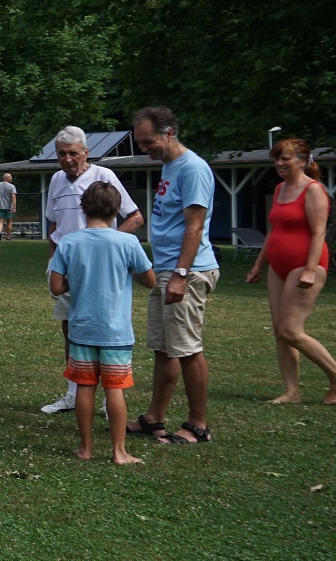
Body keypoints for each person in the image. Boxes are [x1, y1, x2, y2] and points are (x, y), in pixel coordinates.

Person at [39, 126, 145, 415]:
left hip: (100, 272)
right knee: (69, 328)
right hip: (68, 268)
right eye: (62, 153)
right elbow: (53, 226)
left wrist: (108, 245)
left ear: (86, 153)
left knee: (106, 331)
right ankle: (74, 393)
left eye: (74, 153)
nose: (68, 159)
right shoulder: (57, 180)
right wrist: (53, 263)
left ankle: (112, 399)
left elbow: (134, 217)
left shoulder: (104, 176)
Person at [49, 181, 157, 465]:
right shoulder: (128, 242)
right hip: (116, 332)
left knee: (85, 388)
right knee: (114, 389)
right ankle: (119, 452)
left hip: (82, 329)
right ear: (116, 211)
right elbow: (150, 280)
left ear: (83, 208)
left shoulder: (69, 242)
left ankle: (86, 449)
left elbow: (57, 286)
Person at [131, 106, 220, 445]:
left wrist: (181, 274)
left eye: (148, 141)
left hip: (188, 270)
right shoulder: (170, 165)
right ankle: (154, 419)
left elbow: (195, 225)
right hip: (167, 268)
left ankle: (198, 426)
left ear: (170, 133)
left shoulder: (193, 168)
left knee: (187, 349)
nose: (143, 149)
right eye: (140, 143)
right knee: (165, 349)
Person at [247, 139, 336, 405]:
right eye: (276, 159)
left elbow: (319, 233)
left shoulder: (314, 190)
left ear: (304, 161)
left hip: (305, 265)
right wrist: (259, 264)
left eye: (286, 159)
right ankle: (291, 392)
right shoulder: (281, 188)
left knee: (291, 330)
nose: (280, 164)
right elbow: (273, 232)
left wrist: (309, 270)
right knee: (279, 330)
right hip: (278, 266)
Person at [0, 172, 18, 240]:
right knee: (9, 221)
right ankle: (8, 237)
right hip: (9, 207)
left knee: (0, 221)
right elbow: (13, 196)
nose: (12, 178)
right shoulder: (12, 186)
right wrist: (14, 207)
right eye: (10, 177)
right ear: (6, 178)